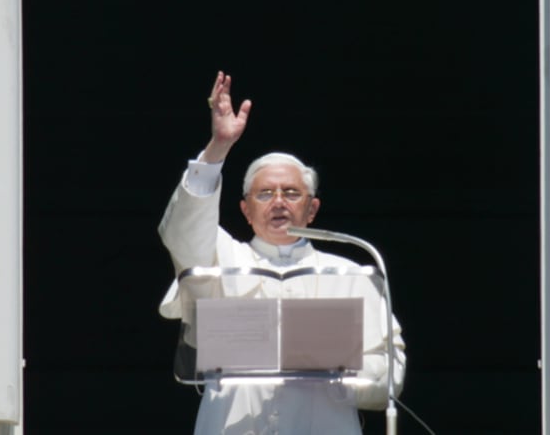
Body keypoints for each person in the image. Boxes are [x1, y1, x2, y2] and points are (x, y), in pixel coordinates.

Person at [158, 71, 406, 435]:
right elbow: (181, 231)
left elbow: (390, 376)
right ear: (245, 210)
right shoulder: (221, 258)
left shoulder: (352, 274)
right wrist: (218, 149)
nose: (278, 203)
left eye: (291, 193)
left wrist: (329, 366)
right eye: (265, 194)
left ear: (312, 209)